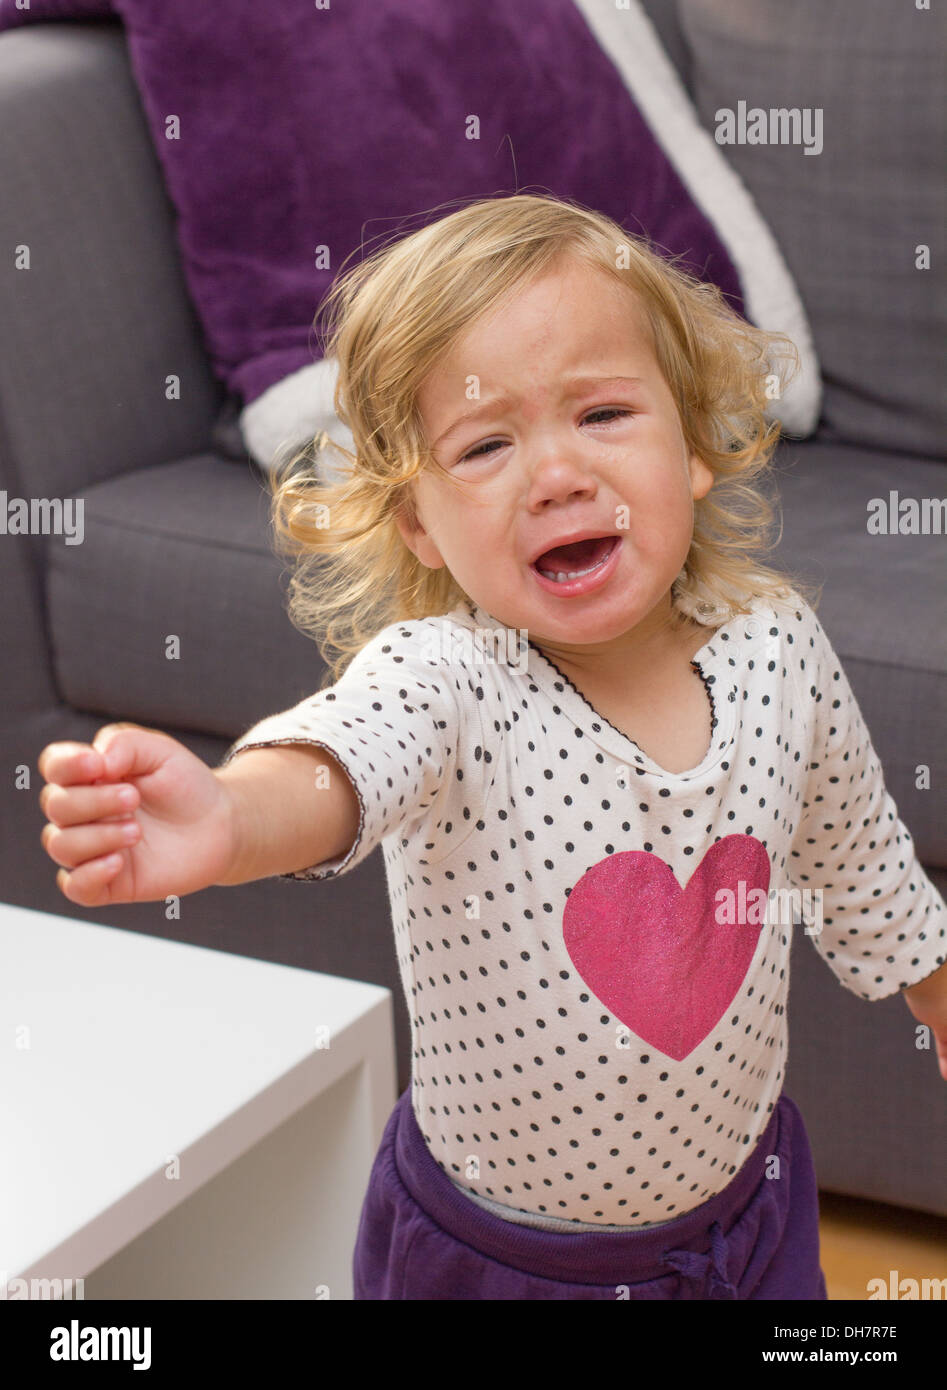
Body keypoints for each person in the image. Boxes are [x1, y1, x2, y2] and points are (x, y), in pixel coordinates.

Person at [36, 195, 947, 1300]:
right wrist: (230, 815)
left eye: (602, 413)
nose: (555, 474)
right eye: (484, 444)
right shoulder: (449, 680)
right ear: (417, 521)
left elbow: (860, 862)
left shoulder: (778, 651)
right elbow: (338, 763)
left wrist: (936, 990)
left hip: (742, 1224)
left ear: (694, 443)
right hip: (500, 1265)